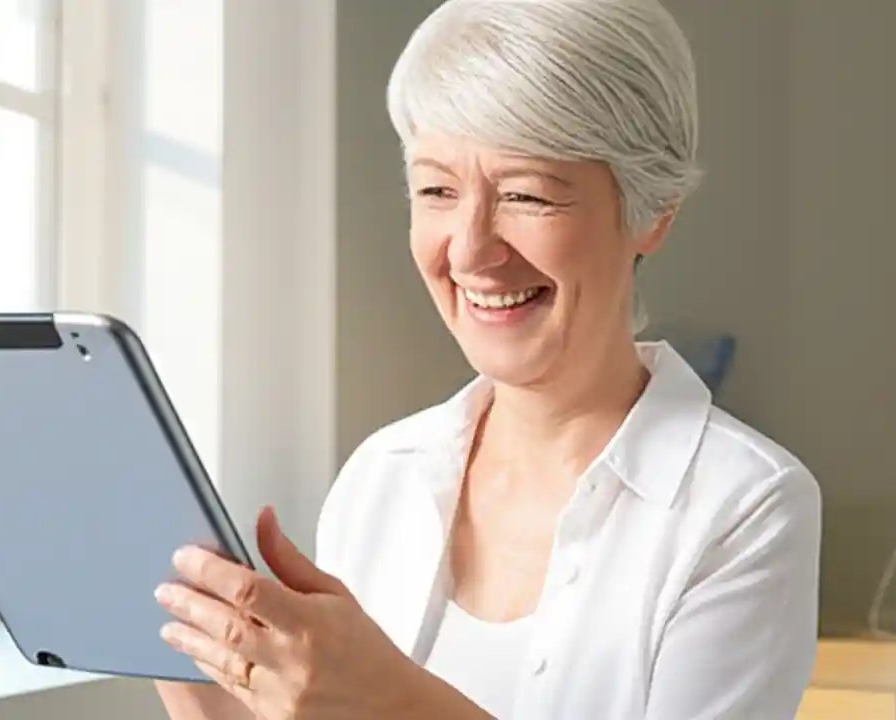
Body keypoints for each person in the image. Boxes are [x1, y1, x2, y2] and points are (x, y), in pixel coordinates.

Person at [154, 0, 821, 717]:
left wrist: (386, 698)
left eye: (526, 195)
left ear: (651, 210)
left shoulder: (745, 507)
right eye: (437, 190)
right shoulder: (381, 477)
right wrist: (194, 667)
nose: (471, 250)